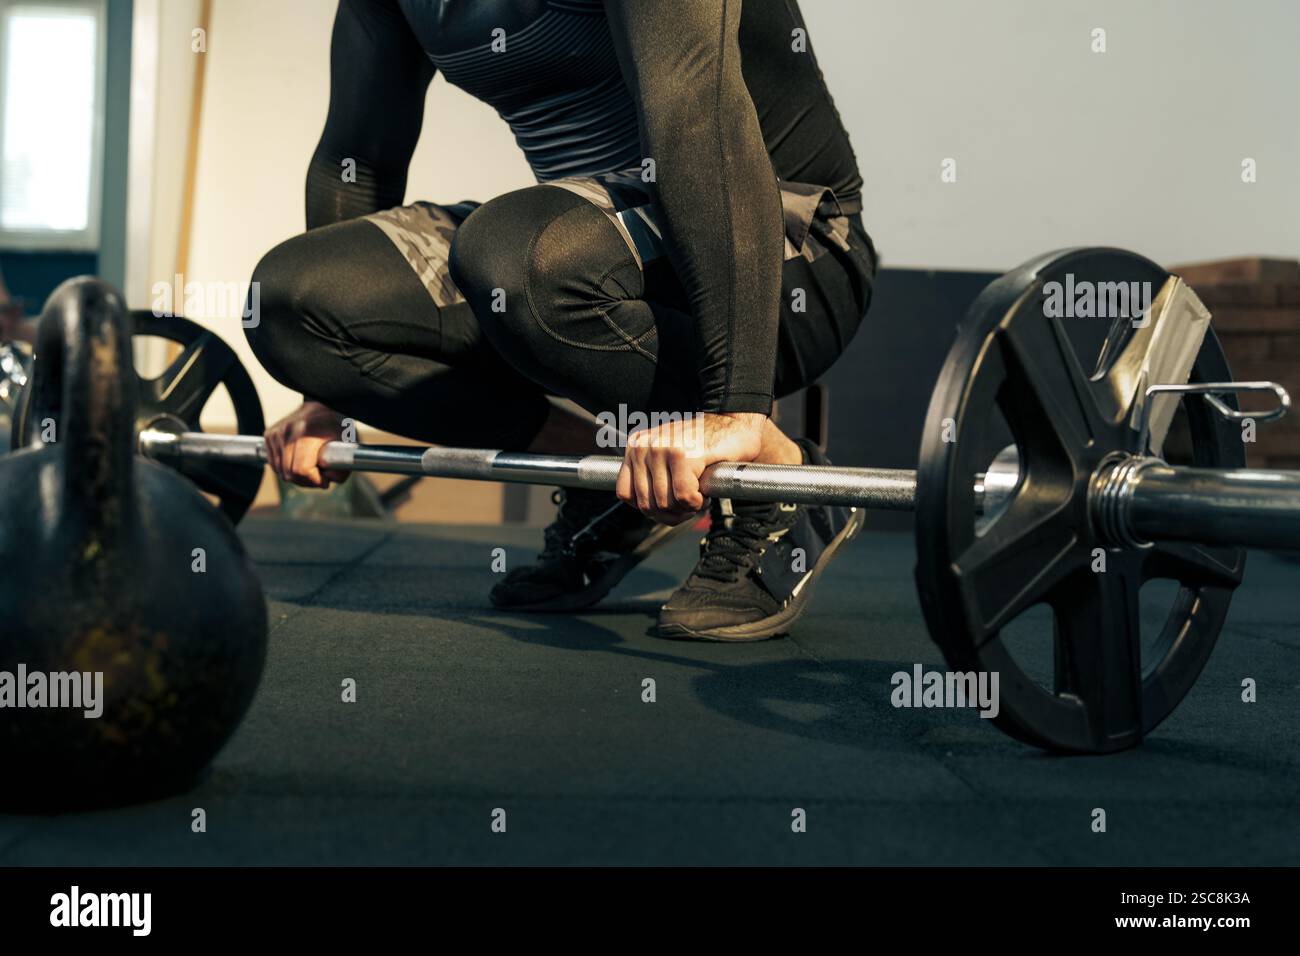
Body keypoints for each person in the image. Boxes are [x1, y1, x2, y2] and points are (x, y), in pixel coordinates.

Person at [246, 0, 877, 641]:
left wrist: (738, 407)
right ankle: (607, 472)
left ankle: (779, 477)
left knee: (517, 258)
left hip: (792, 254)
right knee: (292, 305)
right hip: (592, 260)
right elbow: (358, 159)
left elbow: (693, 109)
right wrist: (327, 399)